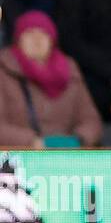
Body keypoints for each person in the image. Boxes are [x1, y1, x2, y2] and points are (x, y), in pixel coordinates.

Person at [0, 10, 101, 148]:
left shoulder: (70, 71)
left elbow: (91, 120)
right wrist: (32, 142)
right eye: (30, 33)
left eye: (43, 33)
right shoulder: (4, 70)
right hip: (18, 156)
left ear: (52, 40)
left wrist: (79, 139)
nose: (37, 39)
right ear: (18, 39)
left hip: (65, 158)